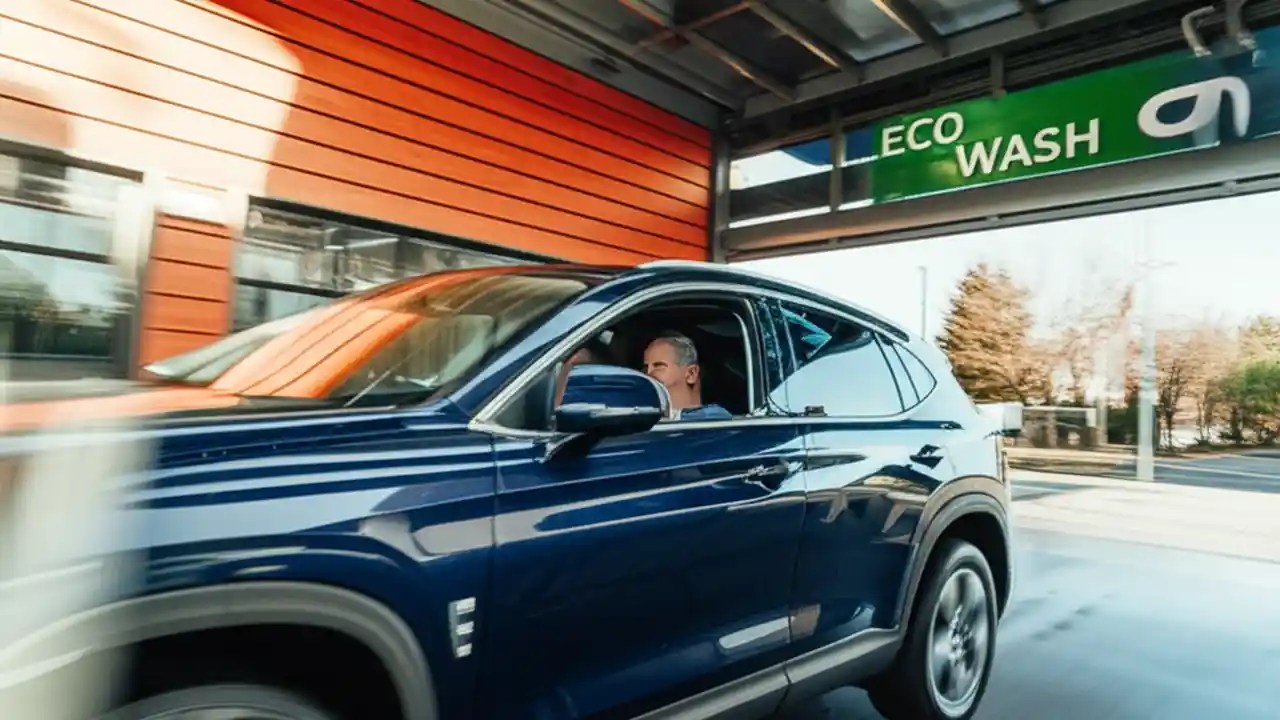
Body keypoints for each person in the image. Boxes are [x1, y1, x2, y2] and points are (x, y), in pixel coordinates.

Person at [642, 332, 731, 421]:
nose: (648, 374)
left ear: (691, 374)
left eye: (659, 366)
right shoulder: (642, 421)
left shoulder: (715, 420)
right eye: (645, 369)